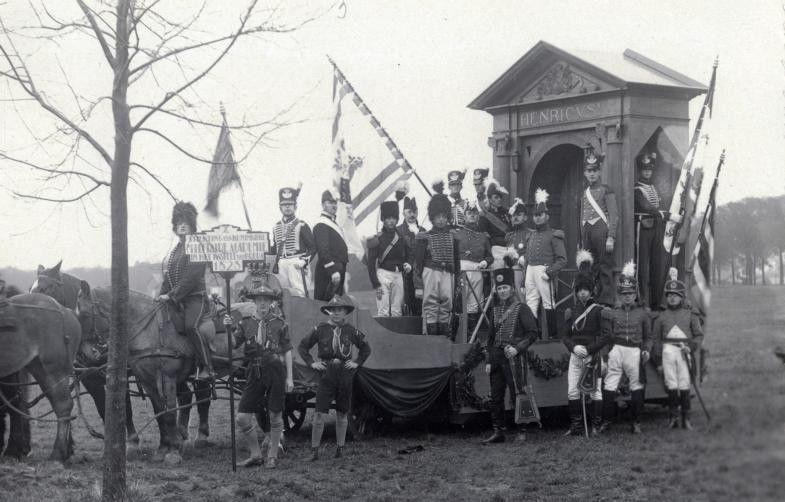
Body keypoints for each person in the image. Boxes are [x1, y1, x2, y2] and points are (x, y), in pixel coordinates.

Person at [228, 281, 293, 469]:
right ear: (254, 302)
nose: (263, 303)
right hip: (254, 371)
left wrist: (289, 378)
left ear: (271, 302)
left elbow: (287, 350)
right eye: (259, 300)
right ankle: (256, 455)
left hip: (275, 370)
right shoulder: (245, 323)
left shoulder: (280, 323)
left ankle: (272, 455)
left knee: (275, 414)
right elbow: (233, 343)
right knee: (242, 417)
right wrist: (227, 328)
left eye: (266, 300)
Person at [298, 295, 371, 460]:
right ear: (328, 312)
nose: (336, 313)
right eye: (333, 310)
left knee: (342, 412)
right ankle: (314, 452)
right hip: (326, 373)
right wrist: (312, 363)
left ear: (345, 312)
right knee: (319, 413)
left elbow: (366, 348)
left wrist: (356, 362)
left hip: (344, 374)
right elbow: (303, 347)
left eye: (340, 310)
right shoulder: (320, 329)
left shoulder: (351, 330)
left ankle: (340, 450)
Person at [157, 201, 215, 380]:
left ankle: (208, 367)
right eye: (178, 221)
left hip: (196, 298)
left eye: (185, 222)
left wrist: (171, 295)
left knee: (191, 326)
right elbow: (169, 277)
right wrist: (160, 296)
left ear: (192, 225)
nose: (182, 225)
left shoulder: (197, 246)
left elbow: (190, 278)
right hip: (178, 299)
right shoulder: (176, 250)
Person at [482, 266, 539, 443]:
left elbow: (532, 333)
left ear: (512, 288)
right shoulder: (494, 311)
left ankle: (521, 430)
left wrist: (517, 349)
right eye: (499, 288)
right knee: (496, 397)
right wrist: (489, 361)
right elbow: (490, 339)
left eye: (505, 287)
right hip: (497, 358)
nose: (502, 291)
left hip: (514, 358)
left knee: (518, 394)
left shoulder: (522, 308)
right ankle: (498, 431)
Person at [561, 250, 611, 437]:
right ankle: (576, 427)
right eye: (580, 289)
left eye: (585, 289)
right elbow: (565, 336)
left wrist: (589, 350)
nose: (582, 292)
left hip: (593, 357)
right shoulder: (571, 311)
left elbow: (606, 335)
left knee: (595, 392)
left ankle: (596, 426)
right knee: (572, 392)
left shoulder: (599, 310)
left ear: (591, 291)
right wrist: (574, 347)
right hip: (575, 356)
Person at [600, 262, 652, 434]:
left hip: (635, 351)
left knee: (637, 385)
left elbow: (648, 337)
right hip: (617, 349)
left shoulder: (643, 313)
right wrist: (606, 356)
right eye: (624, 294)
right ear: (620, 295)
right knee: (609, 384)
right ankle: (606, 421)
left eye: (630, 293)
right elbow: (606, 336)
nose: (627, 297)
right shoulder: (613, 312)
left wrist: (646, 350)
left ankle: (636, 422)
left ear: (635, 294)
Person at [652, 271, 704, 430]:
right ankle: (673, 418)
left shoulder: (691, 314)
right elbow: (656, 340)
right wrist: (658, 361)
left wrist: (690, 347)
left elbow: (698, 335)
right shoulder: (661, 317)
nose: (672, 298)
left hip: (684, 352)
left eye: (676, 295)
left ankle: (686, 419)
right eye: (669, 295)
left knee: (684, 383)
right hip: (667, 353)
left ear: (682, 297)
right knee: (672, 384)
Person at [414, 188, 460, 336]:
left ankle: (444, 338)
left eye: (444, 216)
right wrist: (418, 286)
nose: (441, 219)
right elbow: (418, 264)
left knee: (447, 305)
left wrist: (457, 280)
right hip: (431, 272)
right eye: (438, 216)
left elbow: (456, 261)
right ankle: (431, 339)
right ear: (432, 218)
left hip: (448, 274)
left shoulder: (453, 236)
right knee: (431, 305)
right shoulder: (424, 237)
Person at [524, 188, 566, 336]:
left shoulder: (554, 235)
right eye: (535, 215)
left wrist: (549, 272)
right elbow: (527, 259)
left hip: (544, 271)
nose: (537, 218)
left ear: (547, 216)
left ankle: (553, 336)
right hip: (530, 271)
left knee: (549, 303)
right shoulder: (531, 236)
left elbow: (562, 260)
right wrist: (524, 279)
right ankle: (533, 335)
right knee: (531, 302)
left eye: (540, 215)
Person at [580, 145, 619, 306]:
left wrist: (611, 237)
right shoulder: (584, 192)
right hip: (587, 233)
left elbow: (614, 215)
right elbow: (581, 216)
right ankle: (591, 298)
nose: (592, 174)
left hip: (601, 232)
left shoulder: (606, 190)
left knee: (605, 266)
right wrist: (581, 238)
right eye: (589, 171)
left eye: (594, 171)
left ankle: (606, 300)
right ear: (585, 173)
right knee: (589, 267)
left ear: (599, 172)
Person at [452, 200, 493, 334]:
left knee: (474, 304)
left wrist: (485, 262)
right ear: (464, 217)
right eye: (469, 213)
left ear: (478, 217)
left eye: (475, 213)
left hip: (477, 271)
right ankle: (454, 335)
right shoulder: (456, 234)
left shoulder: (483, 236)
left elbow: (490, 256)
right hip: (462, 270)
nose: (472, 215)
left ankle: (470, 336)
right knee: (459, 301)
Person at [366, 201, 412, 316]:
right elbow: (370, 264)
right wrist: (376, 284)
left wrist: (408, 264)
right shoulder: (377, 238)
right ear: (383, 219)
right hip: (383, 275)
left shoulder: (401, 237)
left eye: (394, 218)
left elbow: (409, 254)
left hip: (398, 275)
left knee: (397, 311)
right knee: (383, 311)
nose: (391, 221)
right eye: (388, 218)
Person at [271, 183, 315, 298]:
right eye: (284, 205)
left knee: (300, 294)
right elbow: (275, 248)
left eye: (290, 204)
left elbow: (313, 247)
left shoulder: (302, 225)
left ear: (295, 207)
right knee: (282, 295)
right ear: (280, 207)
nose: (287, 207)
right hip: (281, 264)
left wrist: (304, 261)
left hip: (296, 263)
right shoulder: (276, 227)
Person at [634, 153, 665, 308]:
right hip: (643, 228)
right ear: (640, 170)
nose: (647, 172)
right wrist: (663, 214)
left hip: (656, 227)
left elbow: (658, 205)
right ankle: (643, 300)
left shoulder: (653, 188)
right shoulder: (637, 189)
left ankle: (655, 302)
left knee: (656, 264)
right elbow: (647, 206)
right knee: (643, 266)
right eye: (644, 169)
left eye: (649, 169)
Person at [313, 189, 349, 301]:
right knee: (325, 305)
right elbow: (323, 250)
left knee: (337, 305)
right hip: (328, 271)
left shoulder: (333, 223)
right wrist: (332, 271)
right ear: (323, 205)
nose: (334, 205)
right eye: (330, 202)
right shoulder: (321, 224)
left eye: (335, 203)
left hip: (337, 270)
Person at [397, 195, 425, 316]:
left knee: (421, 305)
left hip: (421, 274)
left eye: (414, 212)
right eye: (409, 212)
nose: (412, 215)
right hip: (405, 274)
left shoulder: (423, 230)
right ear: (403, 213)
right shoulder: (398, 230)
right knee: (404, 305)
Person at [479, 181, 512, 269]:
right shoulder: (485, 215)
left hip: (509, 248)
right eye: (496, 197)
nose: (499, 199)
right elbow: (483, 236)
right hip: (495, 250)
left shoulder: (507, 213)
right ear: (490, 199)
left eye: (500, 197)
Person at [506, 197, 530, 293]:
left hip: (525, 268)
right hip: (511, 268)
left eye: (519, 215)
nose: (515, 218)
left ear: (525, 217)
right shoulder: (509, 236)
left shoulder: (530, 234)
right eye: (513, 215)